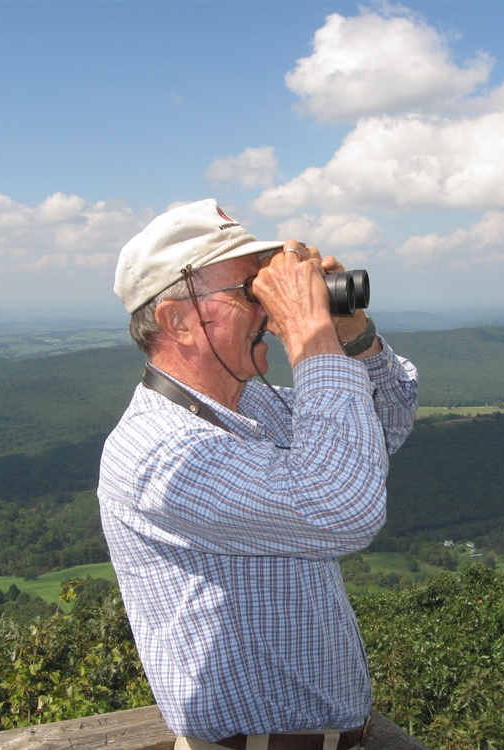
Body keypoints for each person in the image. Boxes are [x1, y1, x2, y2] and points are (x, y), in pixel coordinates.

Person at [98, 199, 418, 750]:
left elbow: (380, 430)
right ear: (179, 321)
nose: (269, 311)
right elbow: (345, 509)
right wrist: (310, 333)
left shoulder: (252, 405)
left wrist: (350, 331)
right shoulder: (160, 454)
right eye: (250, 293)